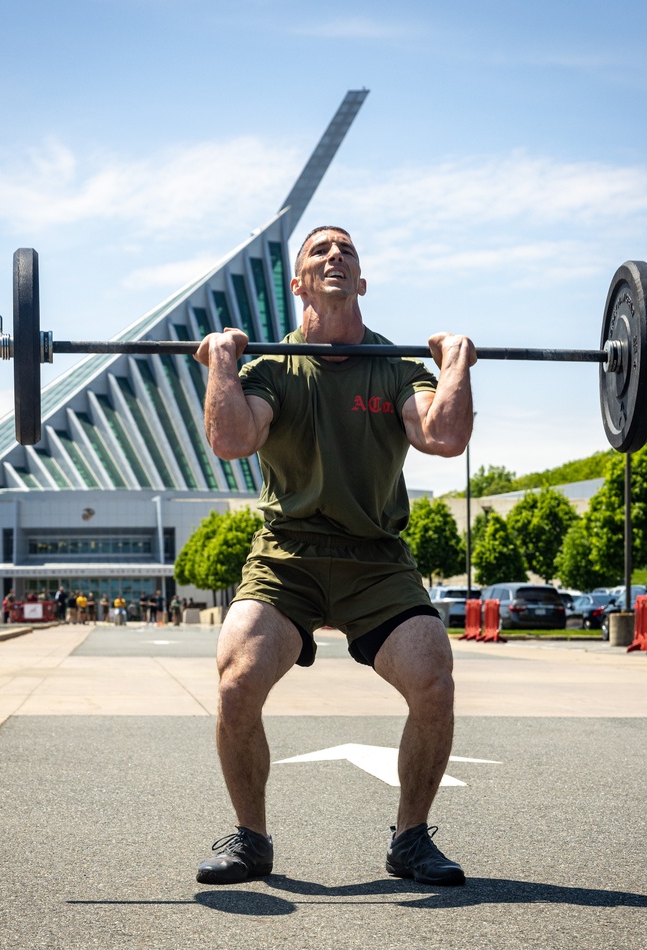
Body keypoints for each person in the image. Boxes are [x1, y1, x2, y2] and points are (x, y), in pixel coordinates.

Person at [192, 226, 474, 887]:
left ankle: (410, 840)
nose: (335, 255)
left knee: (434, 681)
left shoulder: (396, 365)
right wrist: (223, 363)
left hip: (375, 559)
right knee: (236, 683)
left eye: (346, 250)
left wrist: (455, 362)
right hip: (287, 555)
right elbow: (231, 440)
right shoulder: (272, 367)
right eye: (320, 250)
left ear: (362, 281)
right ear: (298, 283)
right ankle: (251, 840)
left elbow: (444, 436)